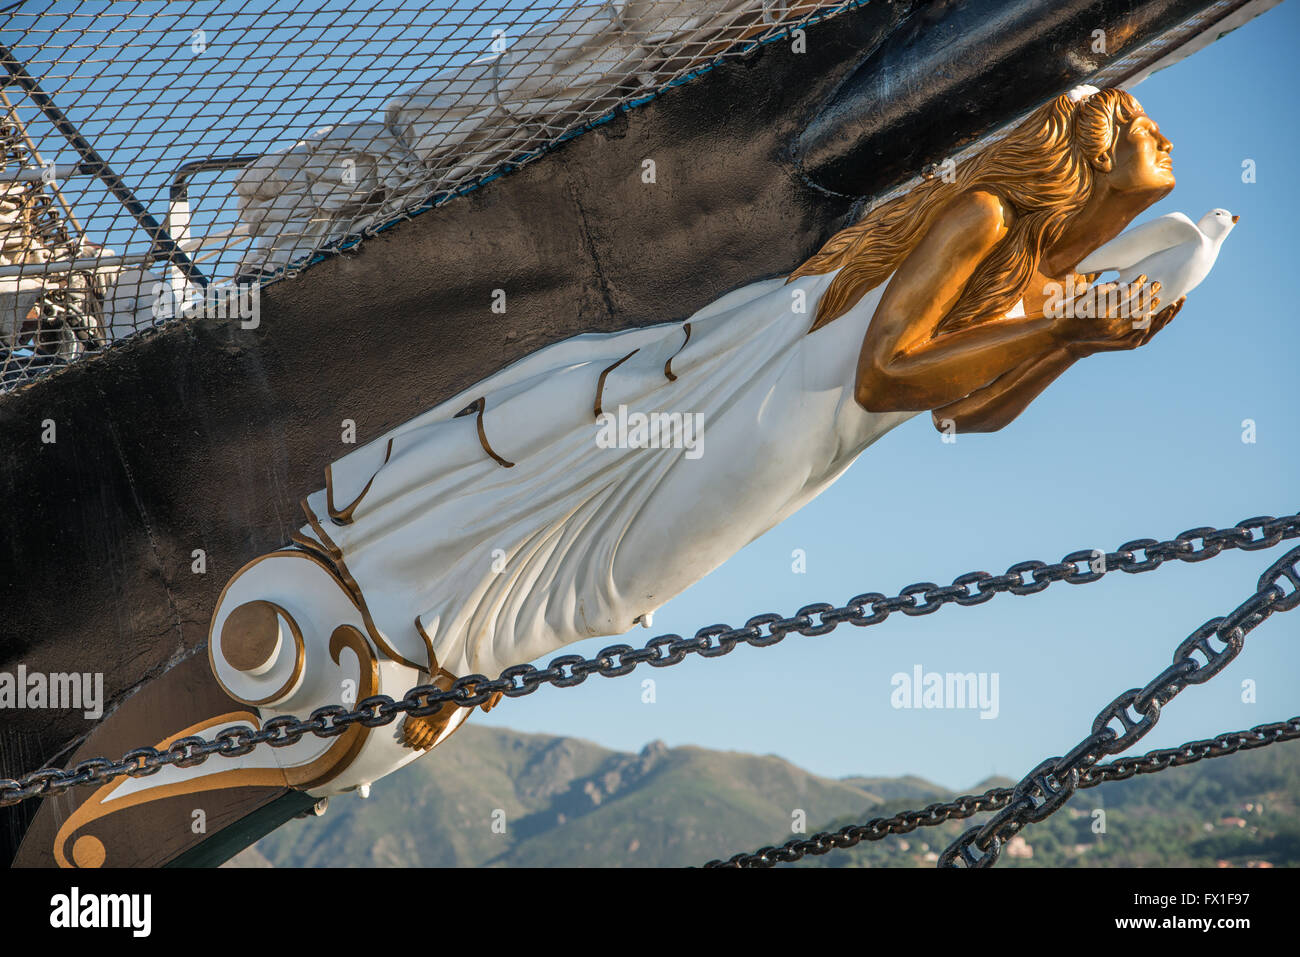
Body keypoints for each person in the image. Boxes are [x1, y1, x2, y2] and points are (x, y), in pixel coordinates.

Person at [238, 85, 1185, 750]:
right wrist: (1060, 329)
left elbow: (967, 415)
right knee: (625, 574)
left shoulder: (1040, 287)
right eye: (1143, 123)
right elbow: (888, 369)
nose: (1164, 139)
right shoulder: (980, 215)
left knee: (632, 573)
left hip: (813, 457)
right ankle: (460, 645)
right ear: (1088, 152)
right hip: (775, 411)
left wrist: (1070, 344)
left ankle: (463, 642)